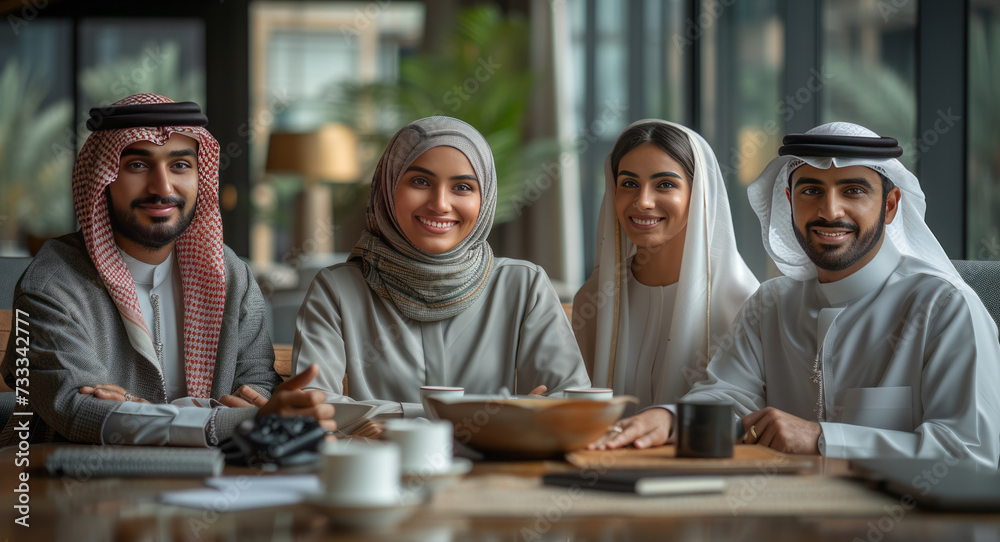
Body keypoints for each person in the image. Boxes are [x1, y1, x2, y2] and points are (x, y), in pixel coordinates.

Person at [592, 122, 1000, 468]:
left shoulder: (944, 307)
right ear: (789, 201)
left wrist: (823, 438)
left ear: (890, 205)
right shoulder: (772, 303)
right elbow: (728, 396)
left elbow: (972, 452)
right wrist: (670, 418)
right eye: (811, 191)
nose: (830, 210)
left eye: (853, 191)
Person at [1, 93, 334, 447]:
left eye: (180, 166)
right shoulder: (52, 285)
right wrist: (229, 420)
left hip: (211, 486)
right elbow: (79, 412)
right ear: (104, 179)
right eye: (138, 166)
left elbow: (256, 390)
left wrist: (137, 409)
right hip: (73, 486)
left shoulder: (230, 275)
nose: (162, 188)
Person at [292, 116, 590, 422]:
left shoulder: (524, 286)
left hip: (498, 468)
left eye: (462, 187)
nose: (440, 204)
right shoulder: (337, 289)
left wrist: (381, 416)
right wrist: (489, 414)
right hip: (382, 467)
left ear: (484, 199)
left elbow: (570, 406)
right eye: (420, 182)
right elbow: (312, 409)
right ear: (388, 186)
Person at [572, 120, 758, 426]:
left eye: (665, 184)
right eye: (629, 183)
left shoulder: (744, 302)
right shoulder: (593, 300)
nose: (643, 201)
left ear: (699, 193)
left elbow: (747, 416)